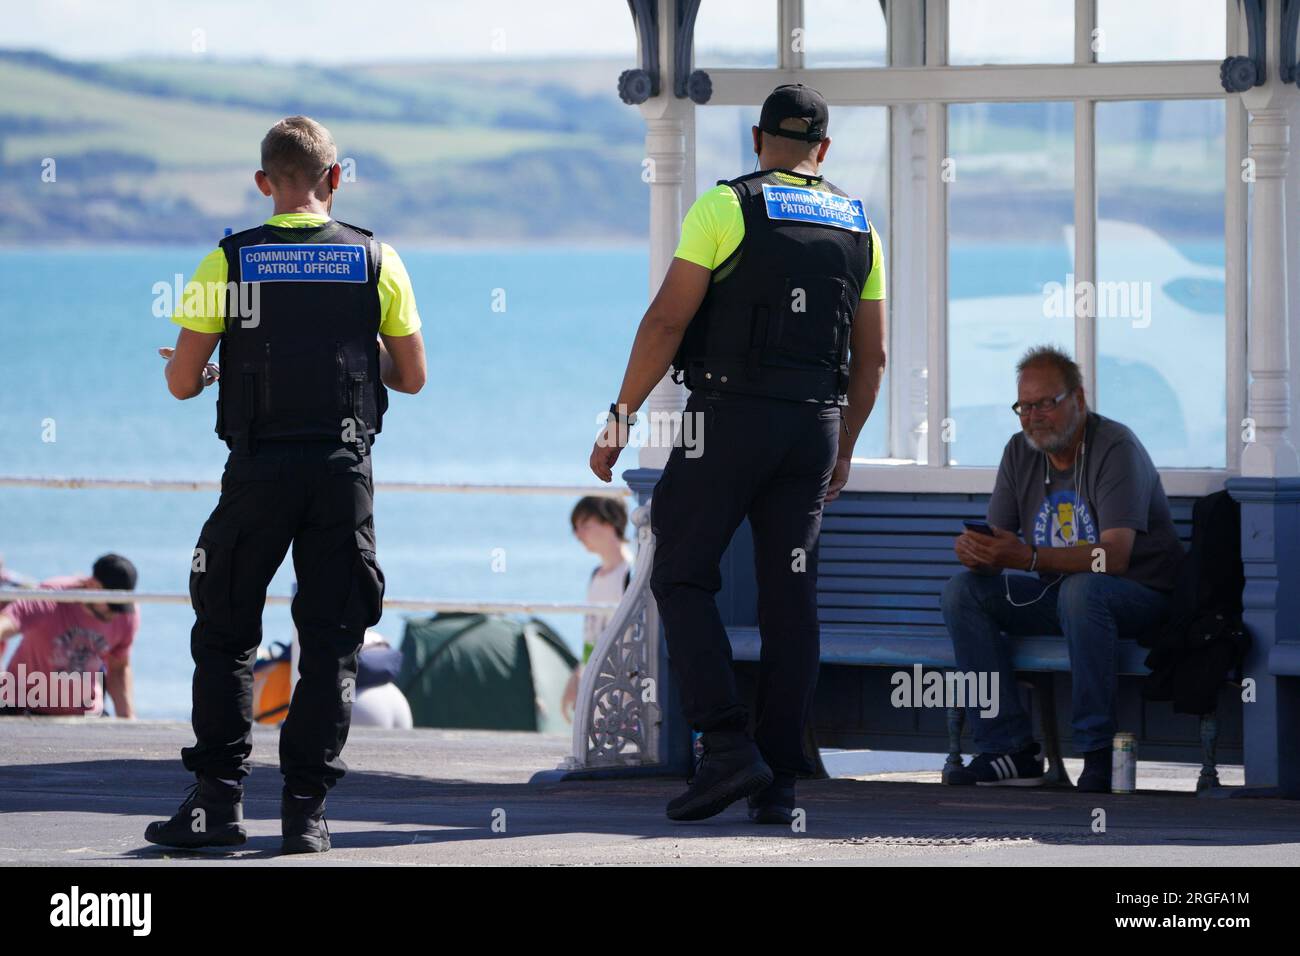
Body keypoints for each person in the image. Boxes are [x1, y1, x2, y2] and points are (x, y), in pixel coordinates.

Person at [589, 84, 887, 823]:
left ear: (758, 141)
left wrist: (619, 416)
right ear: (823, 151)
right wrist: (843, 446)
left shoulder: (727, 207)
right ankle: (778, 784)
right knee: (791, 600)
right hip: (812, 428)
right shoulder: (859, 227)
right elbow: (872, 358)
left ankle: (725, 748)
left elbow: (665, 321)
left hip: (728, 419)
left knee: (682, 574)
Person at [146, 115, 426, 853]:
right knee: (333, 641)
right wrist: (359, 354)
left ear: (265, 183)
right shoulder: (375, 258)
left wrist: (209, 367)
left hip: (259, 470)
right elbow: (415, 377)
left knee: (227, 633)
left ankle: (216, 805)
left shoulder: (231, 260)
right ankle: (306, 814)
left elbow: (180, 383)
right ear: (335, 180)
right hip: (342, 473)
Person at [942, 345, 1184, 792]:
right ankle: (1009, 749)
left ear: (1079, 399)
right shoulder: (1019, 451)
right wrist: (980, 552)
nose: (1034, 416)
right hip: (1061, 595)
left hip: (1139, 595)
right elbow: (1002, 538)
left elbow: (1113, 557)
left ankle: (1096, 753)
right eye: (1025, 406)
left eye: (1046, 403)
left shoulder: (1116, 447)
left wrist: (1028, 558)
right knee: (964, 591)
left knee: (1083, 591)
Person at [0, 554, 139, 717]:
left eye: (121, 606)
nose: (115, 614)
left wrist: (128, 722)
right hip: (22, 705)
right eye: (112, 605)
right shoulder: (51, 597)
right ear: (92, 585)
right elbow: (7, 622)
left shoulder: (126, 614)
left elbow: (119, 668)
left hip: (84, 711)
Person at [561, 496, 633, 722]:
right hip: (597, 683)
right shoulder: (596, 575)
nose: (578, 535)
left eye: (585, 525)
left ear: (609, 523)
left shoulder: (631, 574)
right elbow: (592, 634)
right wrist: (578, 674)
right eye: (575, 527)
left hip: (623, 687)